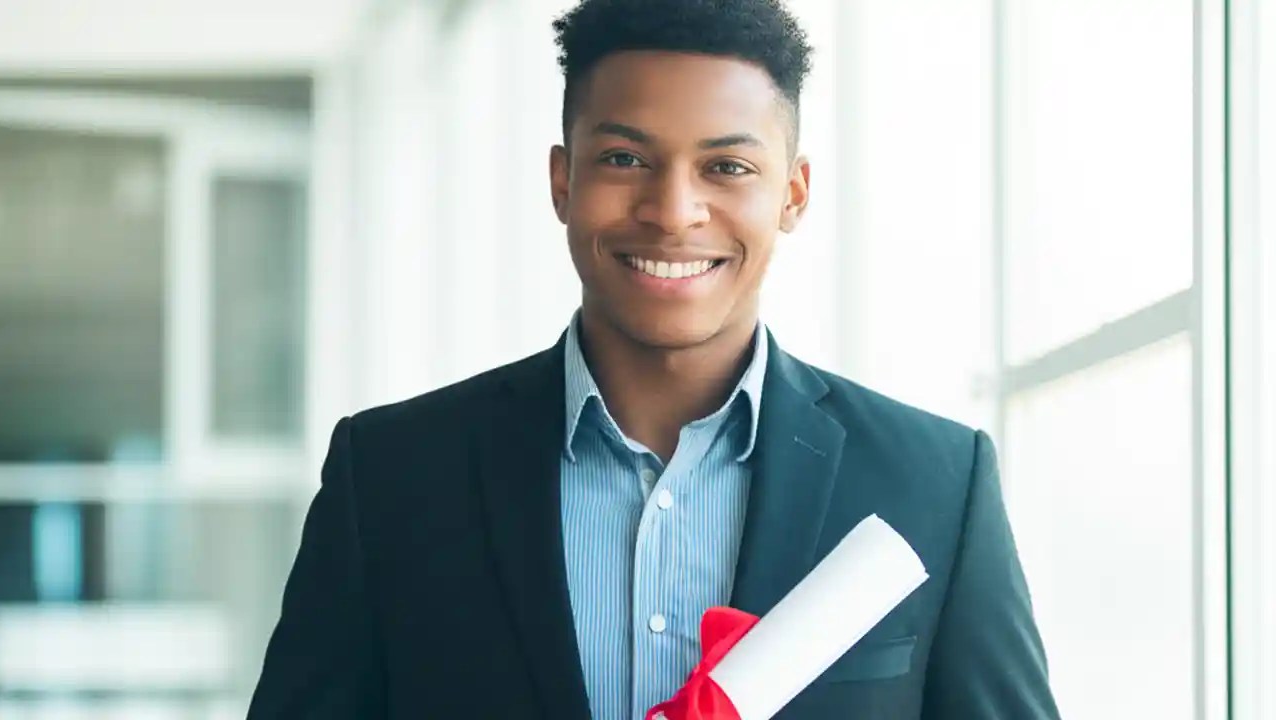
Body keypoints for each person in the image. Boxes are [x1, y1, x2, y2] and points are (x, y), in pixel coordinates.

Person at [248, 0, 1060, 717]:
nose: (673, 212)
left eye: (727, 167)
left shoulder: (937, 486)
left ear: (794, 194)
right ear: (562, 181)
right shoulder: (391, 477)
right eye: (625, 159)